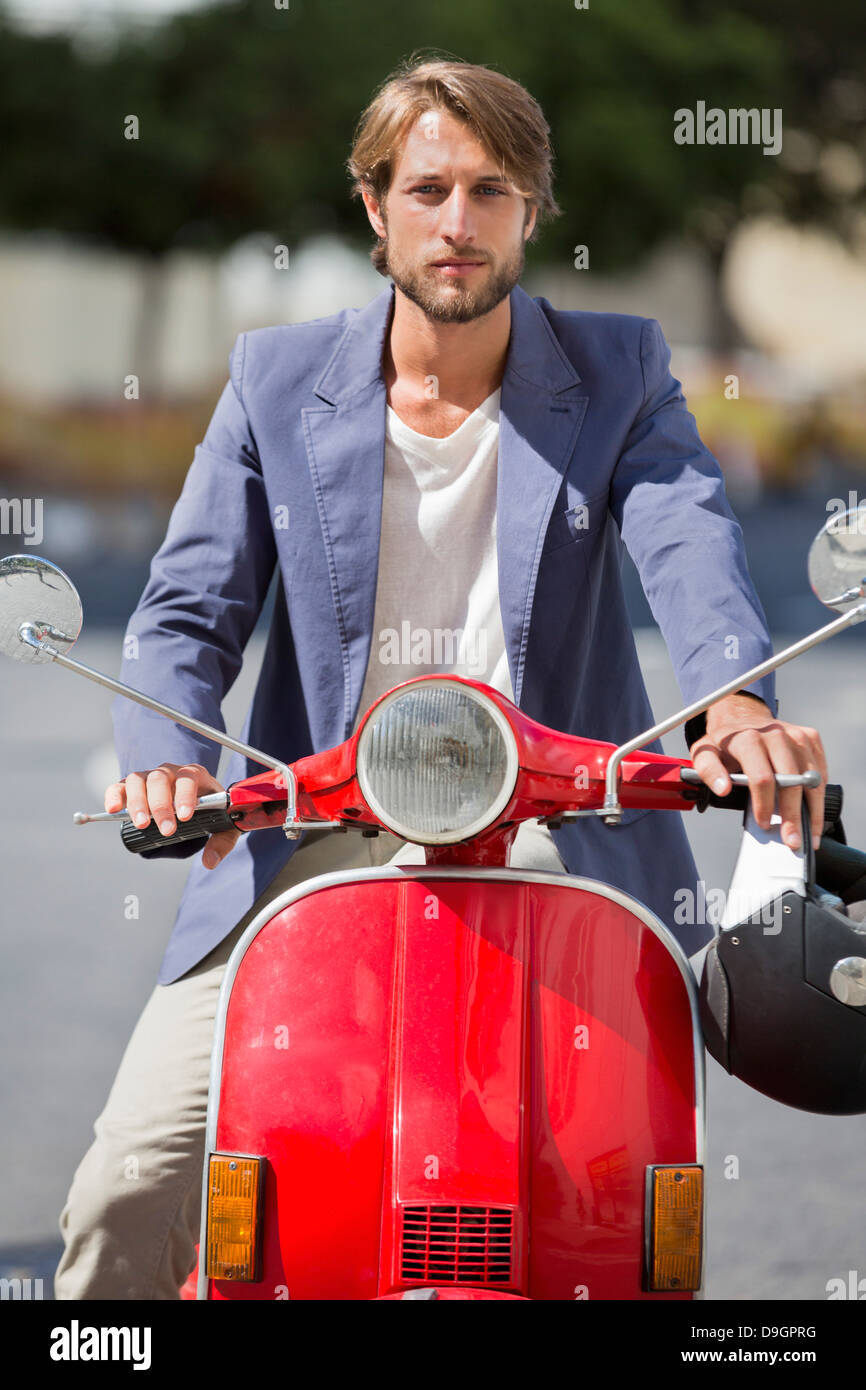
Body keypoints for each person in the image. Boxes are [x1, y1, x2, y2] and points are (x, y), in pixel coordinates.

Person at [54, 56, 828, 1299]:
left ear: (534, 210)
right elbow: (191, 603)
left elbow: (690, 540)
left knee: (617, 1215)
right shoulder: (273, 379)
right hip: (304, 843)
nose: (456, 222)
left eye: (490, 188)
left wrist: (733, 699)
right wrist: (169, 758)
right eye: (425, 189)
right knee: (125, 1194)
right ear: (374, 207)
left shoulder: (618, 373)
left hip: (555, 843)